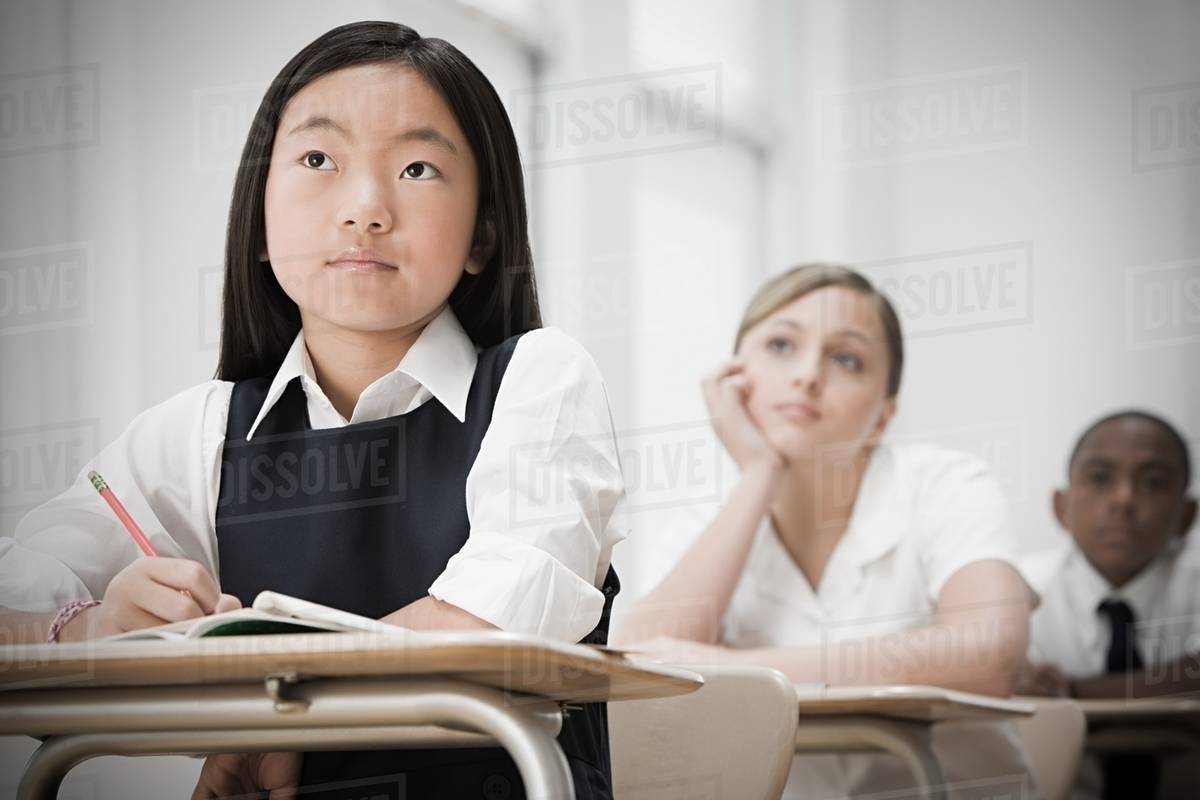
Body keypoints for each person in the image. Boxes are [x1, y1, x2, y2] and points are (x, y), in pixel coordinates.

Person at [0, 21, 626, 800]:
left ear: (483, 235)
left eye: (419, 167)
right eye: (318, 159)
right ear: (260, 224)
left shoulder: (540, 379)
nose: (364, 209)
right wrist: (90, 630)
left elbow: (499, 617)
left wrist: (283, 721)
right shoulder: (197, 435)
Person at [616, 263, 1040, 799]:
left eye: (847, 359)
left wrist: (738, 671)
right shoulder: (705, 525)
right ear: (732, 377)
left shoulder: (946, 484)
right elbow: (640, 671)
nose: (808, 375)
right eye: (780, 345)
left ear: (884, 416)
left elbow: (989, 653)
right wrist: (760, 475)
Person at [1019, 410, 1198, 800]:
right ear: (1061, 507)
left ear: (1187, 516)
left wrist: (1071, 693)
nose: (1124, 499)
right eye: (1100, 478)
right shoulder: (1020, 588)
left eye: (1154, 483)